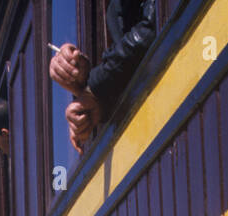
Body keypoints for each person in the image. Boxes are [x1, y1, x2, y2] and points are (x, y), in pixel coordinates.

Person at [50, 1, 157, 152]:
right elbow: (134, 65)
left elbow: (156, 22)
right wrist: (83, 78)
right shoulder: (115, 11)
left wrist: (93, 86)